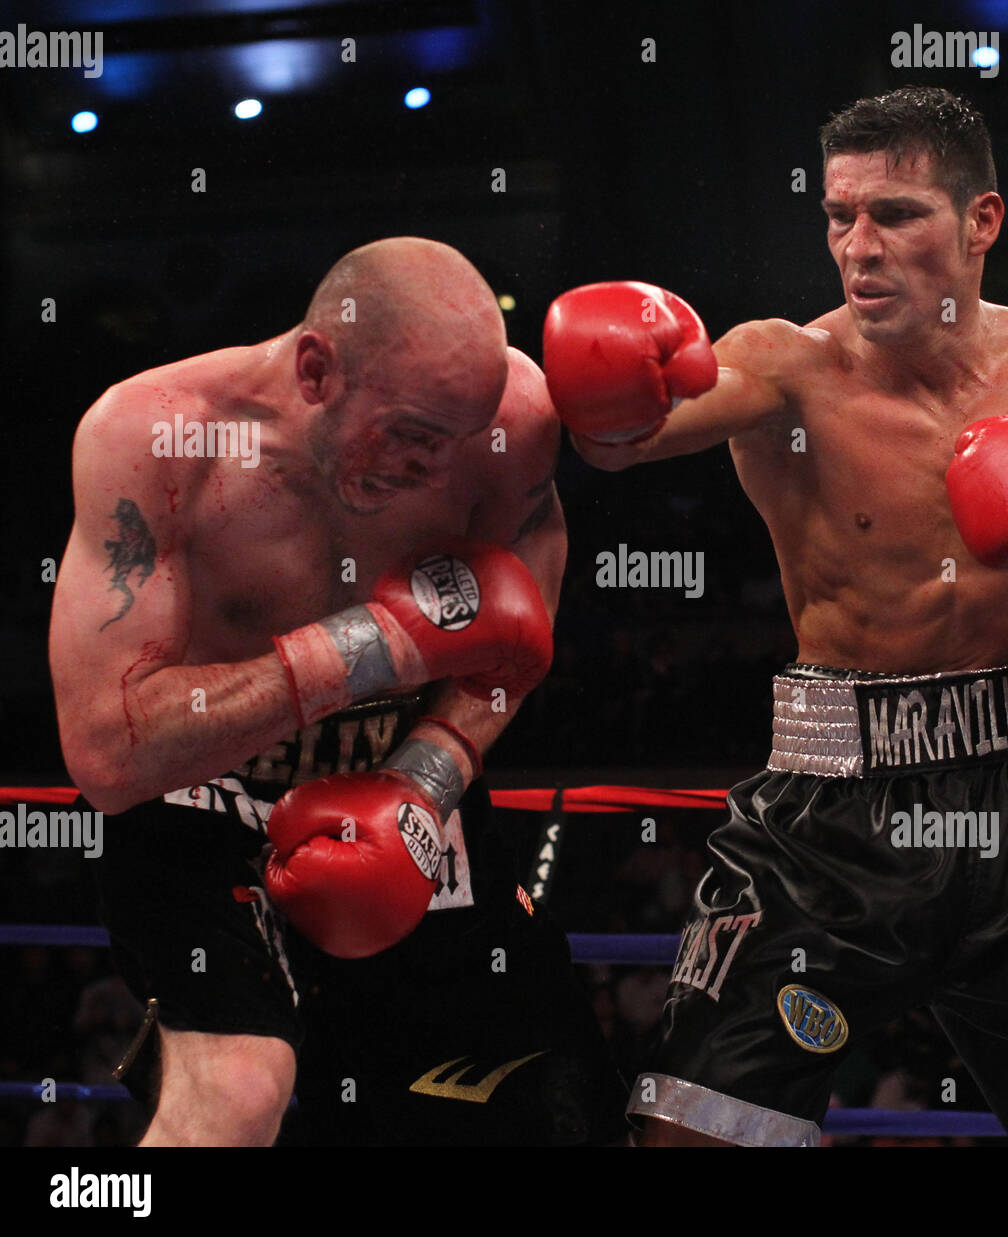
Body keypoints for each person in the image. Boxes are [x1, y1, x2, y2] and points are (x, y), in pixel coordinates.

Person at [543, 87, 1008, 1147]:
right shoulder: (786, 366)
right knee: (689, 1135)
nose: (858, 247)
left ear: (981, 222)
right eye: (839, 217)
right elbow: (616, 438)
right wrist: (602, 388)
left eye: (896, 214)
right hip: (833, 822)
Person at [49, 236, 625, 1146]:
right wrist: (372, 645)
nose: (434, 472)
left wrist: (431, 773)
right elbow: (106, 755)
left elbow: (528, 578)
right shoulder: (157, 436)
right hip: (204, 797)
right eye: (409, 433)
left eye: (456, 441)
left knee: (552, 1105)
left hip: (401, 777)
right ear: (316, 369)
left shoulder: (511, 415)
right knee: (235, 1097)